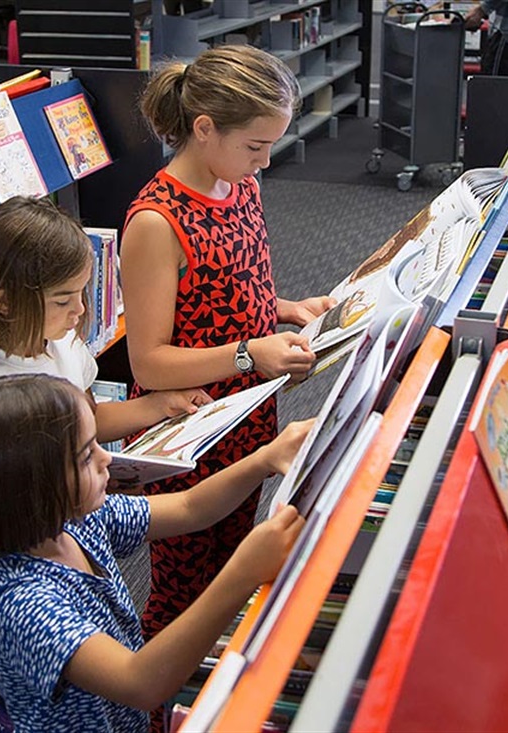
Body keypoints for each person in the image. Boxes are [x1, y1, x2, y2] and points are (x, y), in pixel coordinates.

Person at [0, 374, 311, 732]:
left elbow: (189, 507)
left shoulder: (74, 520)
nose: (107, 460)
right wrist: (242, 573)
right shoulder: (19, 600)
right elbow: (139, 682)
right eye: (87, 455)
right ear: (32, 485)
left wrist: (264, 459)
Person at [120, 45, 336, 651]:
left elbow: (227, 292)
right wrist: (251, 352)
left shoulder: (237, 185)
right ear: (204, 128)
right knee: (184, 591)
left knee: (235, 565)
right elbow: (148, 362)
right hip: (190, 431)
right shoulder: (155, 223)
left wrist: (287, 310)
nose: (264, 163)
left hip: (250, 415)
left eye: (271, 147)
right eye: (255, 147)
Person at [0, 196, 213, 449]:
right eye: (62, 301)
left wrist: (160, 405)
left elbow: (89, 420)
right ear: (4, 302)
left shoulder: (63, 341)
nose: (79, 310)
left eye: (82, 292)